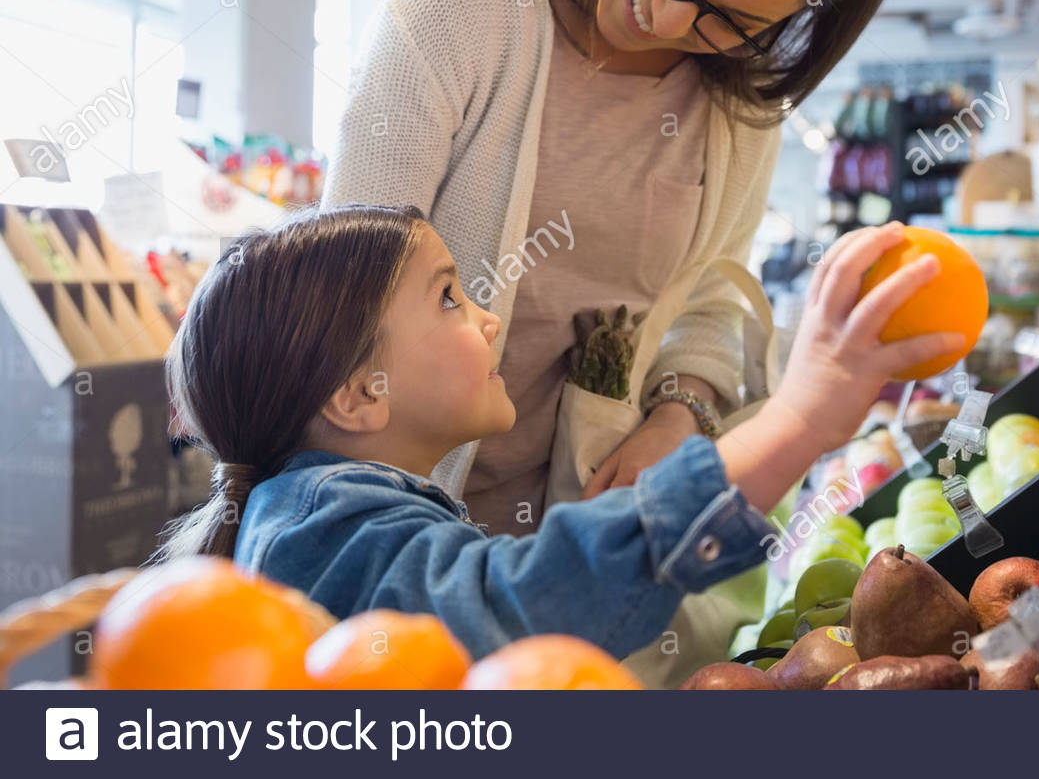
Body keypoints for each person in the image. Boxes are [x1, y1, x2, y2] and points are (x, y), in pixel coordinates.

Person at [322, 0, 919, 534]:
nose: (666, 16)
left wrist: (680, 411)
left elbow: (708, 305)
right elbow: (344, 291)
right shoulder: (463, 2)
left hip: (582, 547)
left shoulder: (737, 115)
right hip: (389, 522)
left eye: (731, 19)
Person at [159, 205, 962, 659]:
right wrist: (798, 418)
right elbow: (524, 605)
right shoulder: (328, 529)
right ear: (358, 396)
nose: (490, 315)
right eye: (447, 298)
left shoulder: (327, 513)